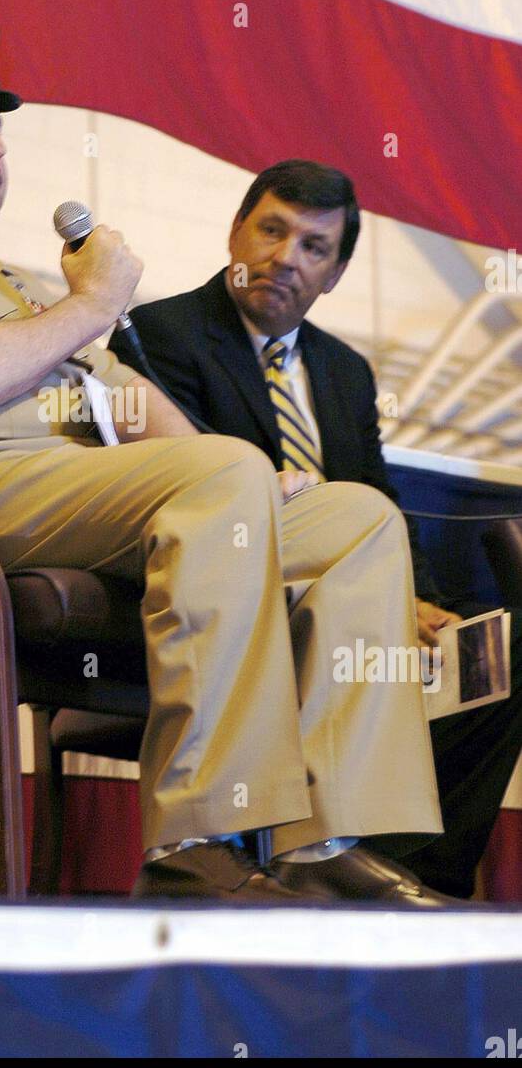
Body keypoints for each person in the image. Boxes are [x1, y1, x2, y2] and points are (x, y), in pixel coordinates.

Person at [0, 5, 451, 907]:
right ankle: (198, 844)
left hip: (36, 502)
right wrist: (93, 306)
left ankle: (324, 846)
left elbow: (123, 405)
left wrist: (263, 484)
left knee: (354, 520)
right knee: (223, 475)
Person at [110, 158, 522, 898]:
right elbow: (181, 490)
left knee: (502, 653)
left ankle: (414, 872)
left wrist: (420, 603)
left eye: (313, 248)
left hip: (358, 596)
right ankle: (335, 863)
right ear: (237, 231)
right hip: (238, 593)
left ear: (334, 274)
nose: (284, 258)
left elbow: (378, 501)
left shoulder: (344, 372)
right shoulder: (160, 332)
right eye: (272, 230)